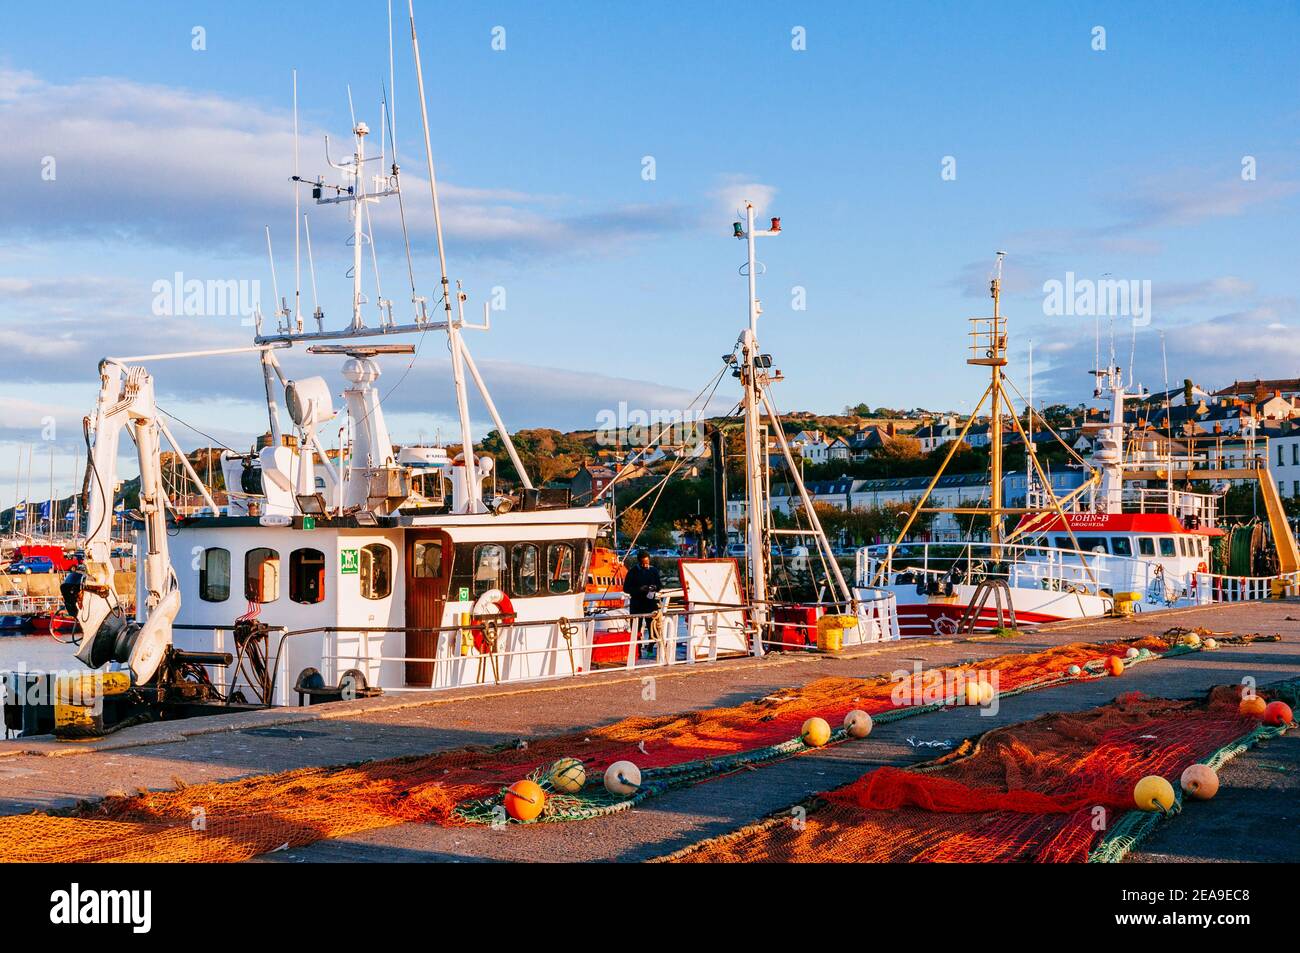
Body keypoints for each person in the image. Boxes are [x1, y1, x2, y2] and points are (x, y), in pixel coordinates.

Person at [622, 550, 663, 659]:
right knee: (636, 628)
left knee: (653, 628)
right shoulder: (632, 572)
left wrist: (654, 587)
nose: (645, 565)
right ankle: (638, 651)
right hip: (637, 604)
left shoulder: (653, 570)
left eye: (647, 562)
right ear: (639, 561)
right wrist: (639, 589)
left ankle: (650, 649)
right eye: (643, 563)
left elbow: (659, 585)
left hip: (650, 603)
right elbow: (626, 588)